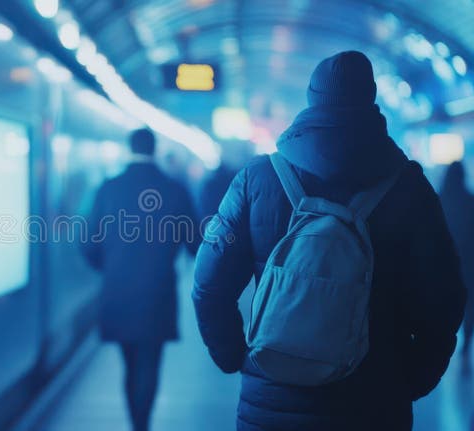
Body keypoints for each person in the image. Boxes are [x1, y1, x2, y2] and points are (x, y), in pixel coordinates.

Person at [192, 51, 467, 430]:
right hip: (374, 404)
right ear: (371, 99)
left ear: (311, 99)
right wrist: (412, 380)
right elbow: (445, 298)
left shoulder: (257, 179)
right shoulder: (409, 187)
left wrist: (234, 355)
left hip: (272, 400)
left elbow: (209, 284)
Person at [81, 128, 201, 431]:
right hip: (157, 291)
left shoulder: (108, 189)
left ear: (129, 147)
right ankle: (141, 424)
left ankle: (135, 422)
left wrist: (107, 268)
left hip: (118, 289)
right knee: (150, 361)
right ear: (155, 149)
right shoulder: (174, 189)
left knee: (129, 361)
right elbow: (195, 244)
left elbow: (87, 241)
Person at [439, 161, 474, 371]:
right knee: (470, 306)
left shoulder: (439, 200)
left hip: (444, 262)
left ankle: (443, 344)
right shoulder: (470, 201)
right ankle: (466, 347)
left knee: (443, 304)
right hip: (468, 262)